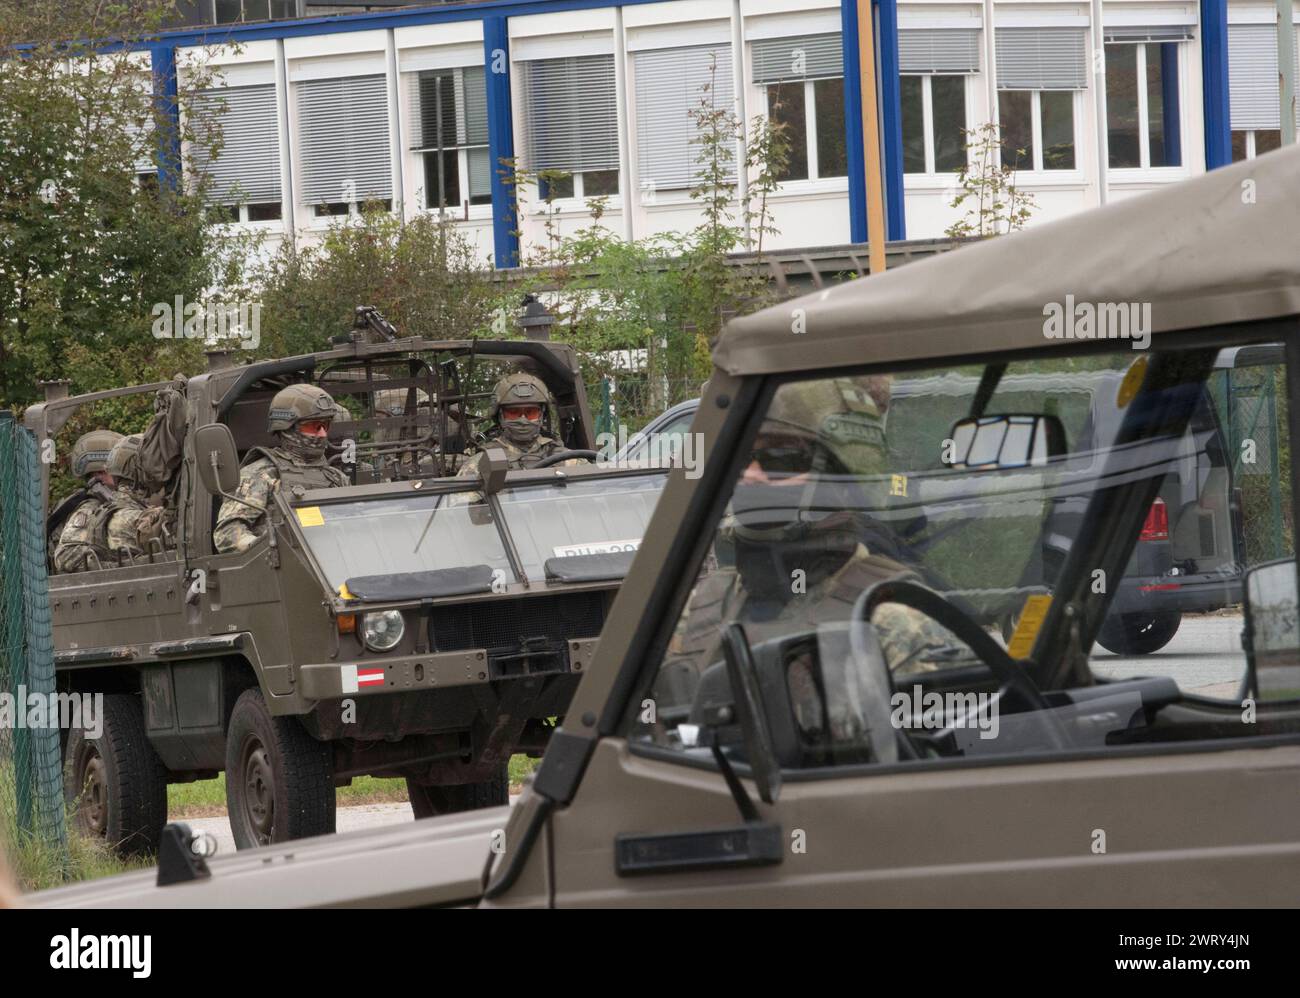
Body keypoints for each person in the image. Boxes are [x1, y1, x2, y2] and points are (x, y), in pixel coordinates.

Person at [662, 376, 956, 694]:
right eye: (741, 457)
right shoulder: (696, 611)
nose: (752, 475)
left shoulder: (896, 621)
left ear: (835, 471)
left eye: (781, 459)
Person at [214, 384, 348, 554]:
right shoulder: (262, 475)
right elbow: (227, 535)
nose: (322, 434)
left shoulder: (336, 477)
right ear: (287, 428)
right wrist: (282, 554)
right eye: (313, 426)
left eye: (325, 426)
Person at [456, 373, 588, 478]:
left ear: (542, 415)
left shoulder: (567, 459)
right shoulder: (480, 464)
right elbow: (458, 508)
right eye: (514, 412)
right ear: (500, 416)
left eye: (530, 412)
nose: (523, 420)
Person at [50, 429, 124, 573]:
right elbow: (66, 557)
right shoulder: (90, 508)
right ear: (98, 475)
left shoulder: (117, 500)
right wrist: (121, 566)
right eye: (114, 470)